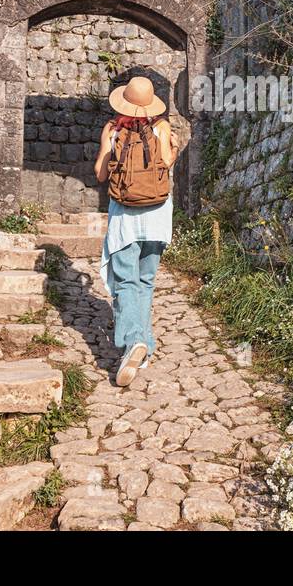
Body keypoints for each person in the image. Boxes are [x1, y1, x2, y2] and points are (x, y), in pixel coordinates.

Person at [93, 75, 179, 386]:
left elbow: (101, 174)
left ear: (124, 101)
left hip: (125, 218)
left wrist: (109, 151)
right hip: (157, 218)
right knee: (145, 282)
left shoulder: (113, 130)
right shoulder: (163, 127)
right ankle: (145, 345)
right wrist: (174, 151)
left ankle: (133, 342)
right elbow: (166, 166)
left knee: (125, 282)